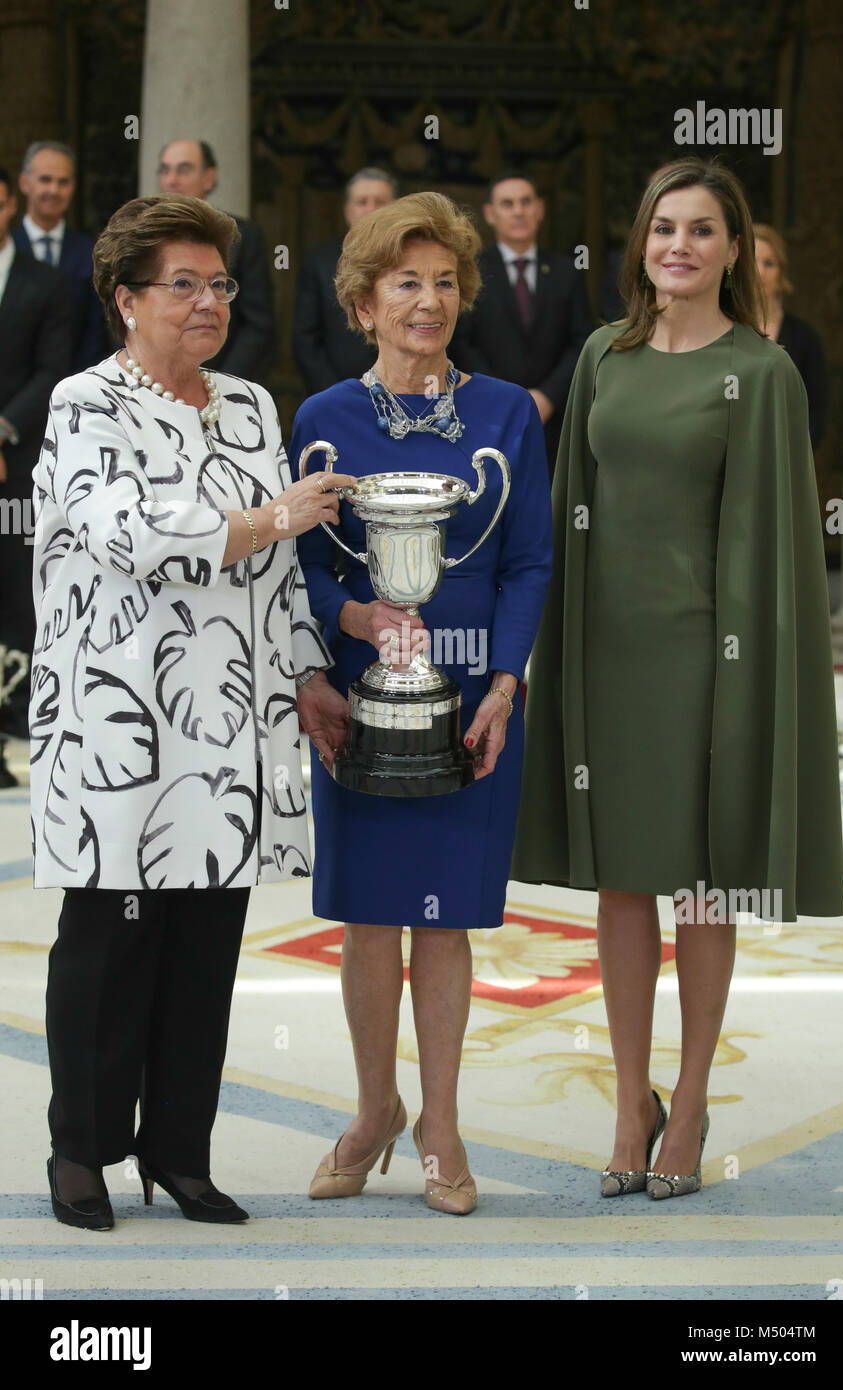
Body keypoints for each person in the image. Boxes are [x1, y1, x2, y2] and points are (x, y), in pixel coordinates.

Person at [512, 157, 843, 1202]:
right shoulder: (601, 358)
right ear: (639, 244)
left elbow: (770, 547)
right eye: (663, 228)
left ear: (732, 250)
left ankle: (690, 1100)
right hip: (606, 652)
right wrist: (550, 656)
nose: (679, 247)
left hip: (707, 658)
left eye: (702, 230)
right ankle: (629, 1098)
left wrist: (744, 685)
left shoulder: (763, 370)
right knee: (620, 883)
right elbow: (569, 511)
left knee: (702, 885)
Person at [30, 193, 355, 1231]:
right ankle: (80, 1150)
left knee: (203, 950)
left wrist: (307, 672)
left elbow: (279, 576)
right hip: (119, 725)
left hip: (229, 729)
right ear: (126, 299)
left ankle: (179, 1153)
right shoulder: (85, 402)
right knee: (108, 948)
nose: (210, 301)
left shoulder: (253, 407)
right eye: (184, 284)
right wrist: (270, 516)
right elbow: (132, 534)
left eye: (219, 284)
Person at [291, 191, 552, 1215]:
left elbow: (528, 560)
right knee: (367, 915)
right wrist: (351, 622)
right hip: (360, 701)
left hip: (471, 698)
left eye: (444, 282)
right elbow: (298, 570)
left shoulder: (502, 414)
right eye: (405, 282)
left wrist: (503, 684)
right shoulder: (322, 420)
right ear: (362, 302)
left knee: (443, 922)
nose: (427, 300)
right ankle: (372, 1110)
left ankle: (441, 1125)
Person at [450, 171, 593, 479]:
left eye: (525, 202)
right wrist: (507, 397)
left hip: (555, 422)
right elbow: (460, 342)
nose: (518, 211)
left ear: (539, 209)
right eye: (507, 203)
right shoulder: (471, 273)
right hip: (489, 416)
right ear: (490, 213)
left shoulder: (566, 272)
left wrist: (546, 396)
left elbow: (583, 340)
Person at [0, 163, 71, 774]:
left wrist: (3, 426)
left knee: (13, 586)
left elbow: (50, 368)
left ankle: (11, 712)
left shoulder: (44, 282)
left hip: (15, 456)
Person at [158, 139, 277, 383]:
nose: (171, 180)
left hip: (222, 381)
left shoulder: (241, 236)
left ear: (209, 178)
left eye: (183, 169)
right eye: (165, 170)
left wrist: (220, 382)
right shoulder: (145, 238)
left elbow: (258, 325)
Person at [292, 167, 397, 394]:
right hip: (336, 394)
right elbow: (306, 339)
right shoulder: (319, 261)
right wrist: (337, 395)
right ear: (348, 211)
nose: (371, 209)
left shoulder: (411, 261)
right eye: (362, 202)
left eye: (379, 201)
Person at [13, 141, 109, 372]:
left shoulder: (91, 252)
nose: (54, 190)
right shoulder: (7, 249)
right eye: (45, 180)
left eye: (63, 182)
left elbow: (96, 329)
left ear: (73, 187)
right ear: (25, 183)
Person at [754, 223, 829, 449]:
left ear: (781, 273)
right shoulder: (722, 329)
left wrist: (794, 458)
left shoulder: (804, 338)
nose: (759, 272)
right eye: (752, 261)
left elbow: (817, 411)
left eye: (769, 263)